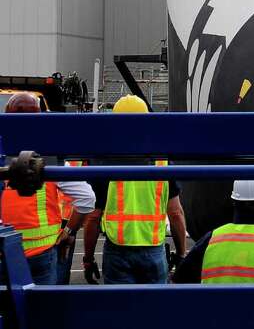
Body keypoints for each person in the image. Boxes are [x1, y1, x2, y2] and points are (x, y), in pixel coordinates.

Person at [81, 94, 189, 285]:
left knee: (120, 311)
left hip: (117, 250)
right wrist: (181, 254)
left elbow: (92, 217)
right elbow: (175, 212)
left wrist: (88, 259)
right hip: (153, 250)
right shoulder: (161, 160)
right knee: (154, 311)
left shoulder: (103, 161)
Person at [0, 92, 96, 285]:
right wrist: (68, 232)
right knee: (43, 311)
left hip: (4, 253)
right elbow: (87, 199)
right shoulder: (48, 158)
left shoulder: (3, 156)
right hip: (41, 254)